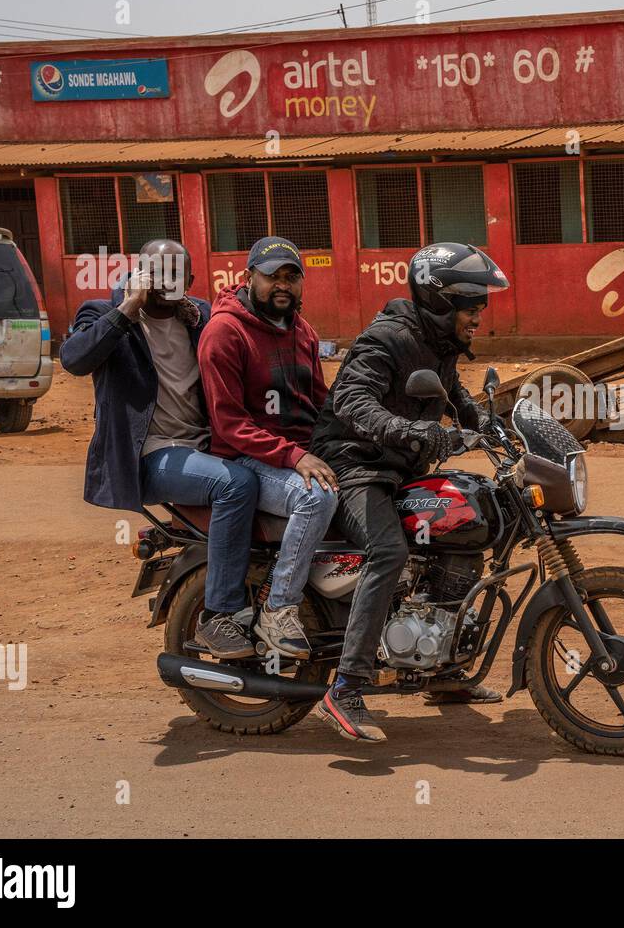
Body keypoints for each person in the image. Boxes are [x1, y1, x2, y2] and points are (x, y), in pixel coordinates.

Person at [309, 243, 509, 743]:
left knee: (465, 528)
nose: (478, 316)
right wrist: (409, 431)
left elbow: (453, 397)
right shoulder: (387, 338)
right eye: (471, 306)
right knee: (388, 552)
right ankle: (347, 686)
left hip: (400, 466)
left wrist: (491, 426)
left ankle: (442, 671)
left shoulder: (436, 343)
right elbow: (353, 400)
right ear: (441, 301)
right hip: (357, 467)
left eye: (481, 306)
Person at [60, 239, 260, 658]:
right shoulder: (104, 313)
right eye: (157, 273)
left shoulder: (199, 316)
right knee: (236, 486)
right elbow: (74, 360)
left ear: (189, 280)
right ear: (139, 274)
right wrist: (126, 311)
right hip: (153, 455)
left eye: (176, 276)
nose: (166, 284)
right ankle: (218, 616)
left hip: (206, 447)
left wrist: (203, 322)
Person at [197, 237, 338, 661]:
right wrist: (296, 457)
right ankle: (279, 608)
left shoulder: (302, 330)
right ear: (248, 278)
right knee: (317, 497)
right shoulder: (224, 332)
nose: (282, 285)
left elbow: (320, 401)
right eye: (271, 275)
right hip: (247, 458)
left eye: (291, 276)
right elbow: (230, 424)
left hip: (297, 453)